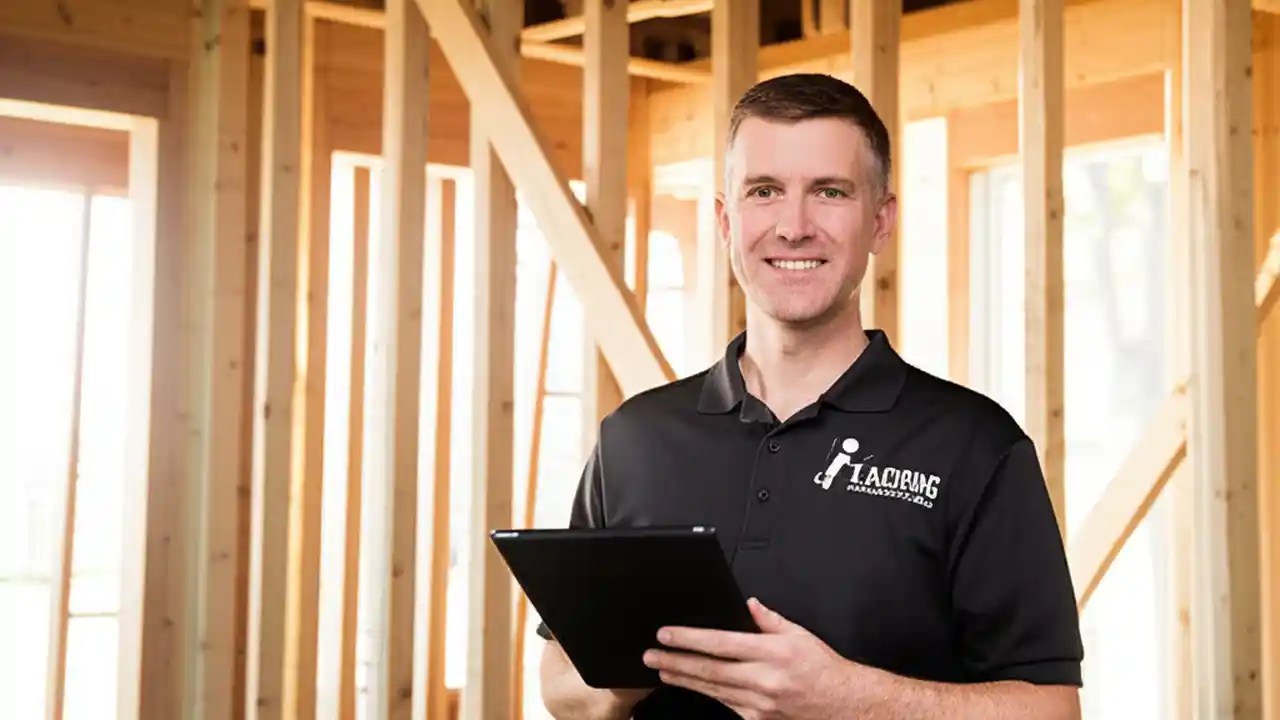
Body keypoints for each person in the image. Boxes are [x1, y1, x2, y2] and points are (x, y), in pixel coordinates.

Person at [537, 72, 1084, 720]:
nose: (793, 227)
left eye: (829, 192)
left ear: (880, 220)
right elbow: (560, 685)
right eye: (764, 191)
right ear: (725, 219)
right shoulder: (635, 438)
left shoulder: (974, 446)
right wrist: (637, 664)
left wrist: (843, 698)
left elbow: (1050, 711)